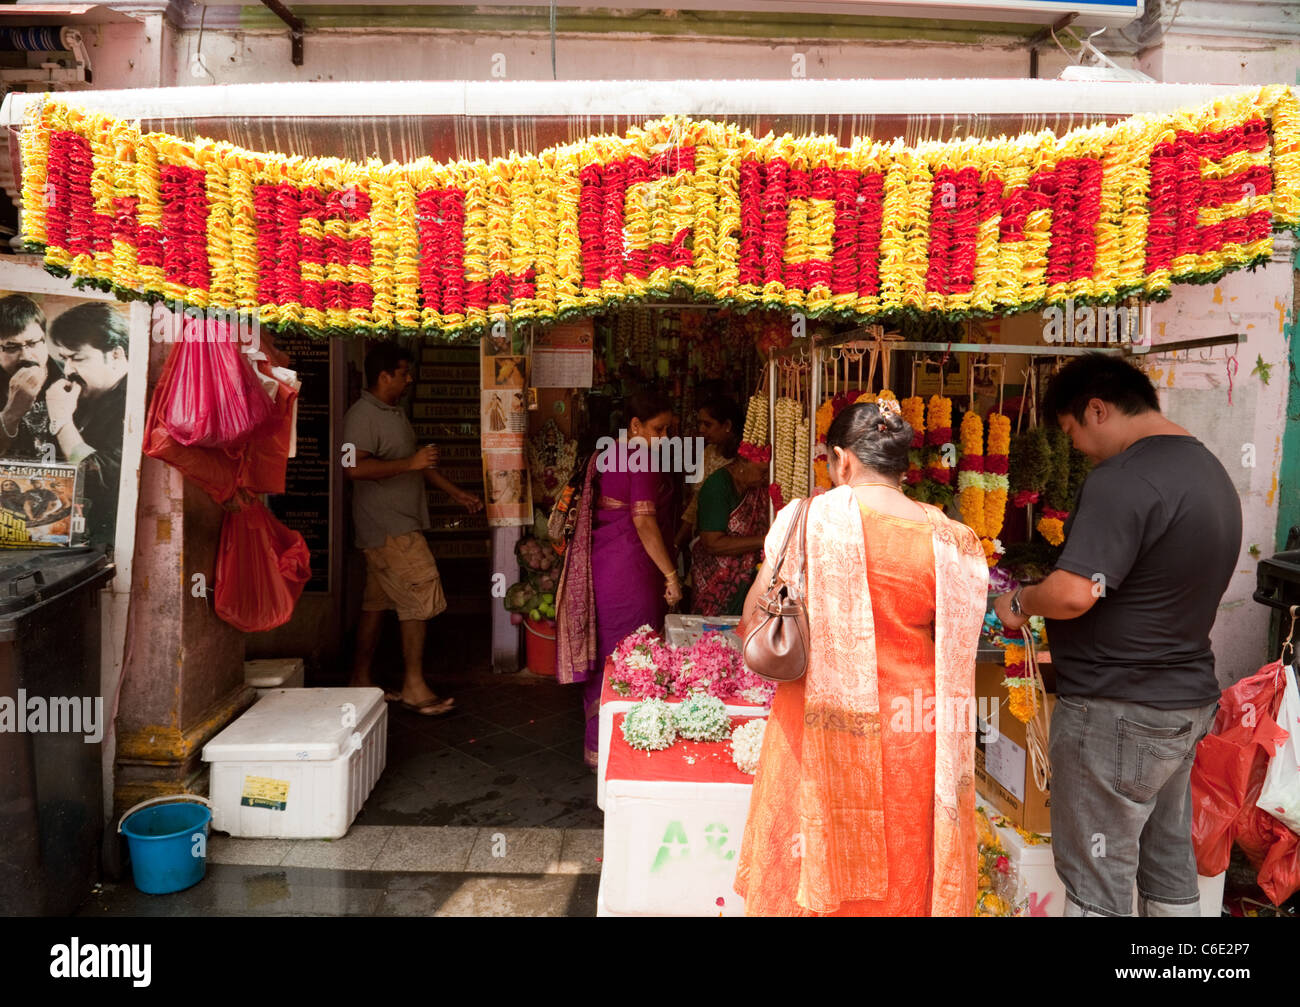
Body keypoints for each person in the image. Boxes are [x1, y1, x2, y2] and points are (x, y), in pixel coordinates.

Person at [993, 352, 1241, 917]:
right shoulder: (1209, 470)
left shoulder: (1123, 479)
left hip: (1117, 712)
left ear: (1097, 409)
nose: (1076, 446)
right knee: (1168, 866)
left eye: (1071, 430)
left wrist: (1021, 601)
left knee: (1097, 885)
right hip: (1182, 705)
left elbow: (1077, 592)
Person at [733, 400, 989, 916]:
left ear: (842, 460)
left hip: (814, 732)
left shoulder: (803, 520)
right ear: (901, 466)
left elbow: (751, 622)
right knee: (900, 877)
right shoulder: (952, 539)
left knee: (813, 867)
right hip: (913, 742)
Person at [343, 341, 483, 716]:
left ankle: (360, 680)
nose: (410, 379)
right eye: (404, 373)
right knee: (419, 596)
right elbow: (353, 468)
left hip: (394, 526)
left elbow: (419, 463)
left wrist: (457, 494)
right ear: (384, 376)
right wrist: (409, 463)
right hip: (388, 529)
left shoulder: (393, 412)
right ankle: (414, 685)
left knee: (376, 604)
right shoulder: (362, 415)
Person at [555, 391, 680, 768]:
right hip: (631, 575)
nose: (664, 439)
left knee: (608, 660)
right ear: (636, 426)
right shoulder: (639, 458)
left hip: (603, 570)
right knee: (634, 660)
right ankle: (627, 757)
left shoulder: (605, 455)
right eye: (657, 429)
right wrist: (671, 574)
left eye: (668, 431)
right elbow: (643, 520)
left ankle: (599, 751)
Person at [47, 302, 129, 546]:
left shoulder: (135, 404)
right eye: (64, 359)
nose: (68, 370)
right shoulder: (83, 392)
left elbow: (96, 479)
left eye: (78, 358)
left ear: (116, 354)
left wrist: (61, 421)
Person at [689, 440, 769, 616]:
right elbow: (713, 543)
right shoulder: (717, 486)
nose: (766, 477)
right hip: (717, 583)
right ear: (743, 462)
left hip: (748, 581)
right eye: (762, 472)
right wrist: (765, 540)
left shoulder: (756, 488)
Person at [0, 295, 64, 463]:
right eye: (11, 347)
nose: (26, 355)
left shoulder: (72, 378)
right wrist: (12, 412)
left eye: (33, 343)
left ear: (44, 339)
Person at [674, 396, 741, 551]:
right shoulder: (709, 452)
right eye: (700, 424)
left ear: (727, 425)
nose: (701, 429)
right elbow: (696, 502)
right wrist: (678, 541)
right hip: (704, 537)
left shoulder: (744, 457)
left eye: (707, 424)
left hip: (731, 541)